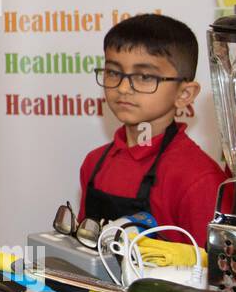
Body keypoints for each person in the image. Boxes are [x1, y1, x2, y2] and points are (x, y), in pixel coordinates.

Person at [79, 13, 227, 245]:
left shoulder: (199, 179)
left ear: (184, 94)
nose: (124, 88)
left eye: (145, 76)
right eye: (114, 72)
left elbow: (211, 274)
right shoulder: (94, 163)